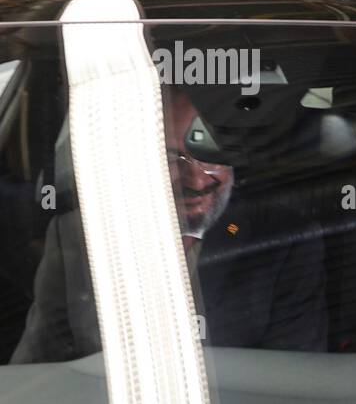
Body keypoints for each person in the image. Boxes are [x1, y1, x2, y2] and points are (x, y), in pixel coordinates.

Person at [11, 90, 327, 362]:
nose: (198, 179)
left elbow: (295, 386)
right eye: (171, 158)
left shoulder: (282, 240)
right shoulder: (79, 235)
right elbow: (39, 362)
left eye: (210, 154)